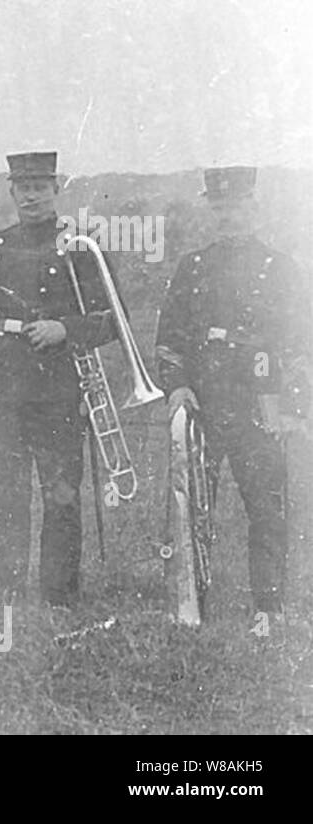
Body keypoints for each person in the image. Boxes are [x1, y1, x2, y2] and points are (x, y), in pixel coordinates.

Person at [0, 151, 118, 607]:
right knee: (4, 489)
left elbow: (113, 319)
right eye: (23, 187)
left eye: (40, 187)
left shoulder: (82, 246)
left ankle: (59, 594)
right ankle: (4, 590)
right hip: (0, 386)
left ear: (55, 190)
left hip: (57, 388)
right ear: (12, 192)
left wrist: (67, 328)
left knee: (62, 492)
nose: (31, 195)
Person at [155, 166, 310, 619]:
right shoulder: (193, 265)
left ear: (254, 207)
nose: (229, 216)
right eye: (220, 207)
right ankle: (191, 604)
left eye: (237, 206)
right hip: (204, 401)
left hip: (260, 406)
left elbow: (299, 343)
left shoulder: (280, 267)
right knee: (192, 512)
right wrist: (178, 385)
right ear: (211, 210)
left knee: (267, 510)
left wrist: (293, 408)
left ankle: (269, 607)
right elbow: (170, 336)